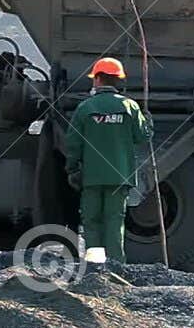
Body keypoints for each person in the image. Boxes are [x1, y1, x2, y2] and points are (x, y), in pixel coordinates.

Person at [65, 57, 152, 264]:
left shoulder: (86, 108)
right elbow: (143, 137)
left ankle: (95, 267)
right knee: (115, 221)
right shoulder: (130, 107)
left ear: (97, 79)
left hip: (92, 178)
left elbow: (73, 143)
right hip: (120, 177)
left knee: (92, 221)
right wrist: (148, 120)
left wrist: (72, 169)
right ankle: (115, 267)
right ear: (117, 80)